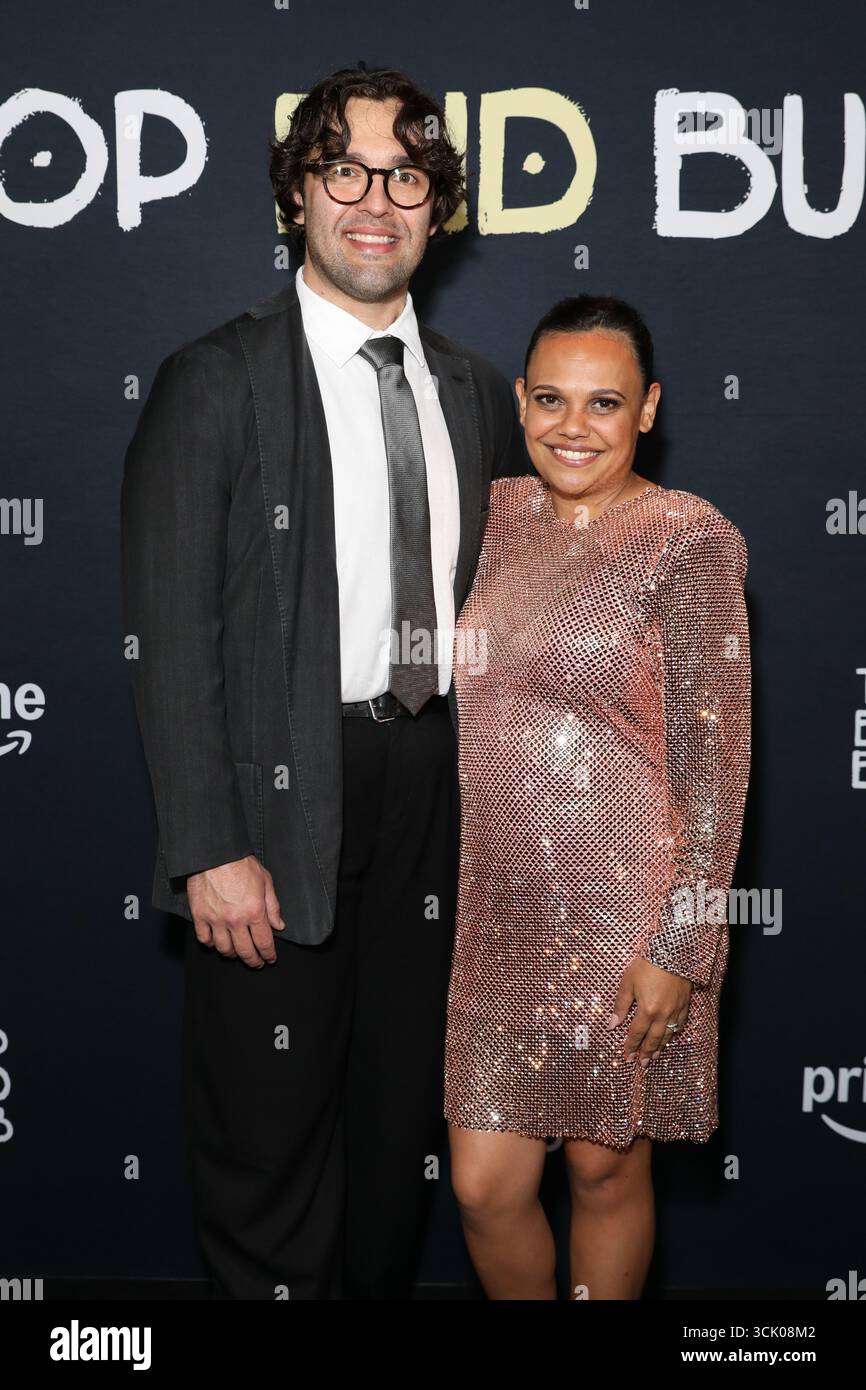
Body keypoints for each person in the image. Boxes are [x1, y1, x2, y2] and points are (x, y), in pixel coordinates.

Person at [120, 62, 526, 1300]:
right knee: (269, 1135)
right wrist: (206, 844)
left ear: (435, 205)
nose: (373, 199)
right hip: (276, 800)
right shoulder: (217, 379)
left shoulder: (472, 391)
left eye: (405, 175)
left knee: (392, 1128)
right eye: (341, 167)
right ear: (298, 190)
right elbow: (170, 632)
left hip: (433, 800)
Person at [444, 295, 751, 1299]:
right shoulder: (495, 517)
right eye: (548, 399)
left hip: (628, 914)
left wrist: (680, 946)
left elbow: (716, 771)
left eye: (603, 402)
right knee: (486, 1183)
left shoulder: (686, 537)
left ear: (647, 408)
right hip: (500, 915)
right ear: (520, 402)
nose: (571, 426)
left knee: (600, 1163)